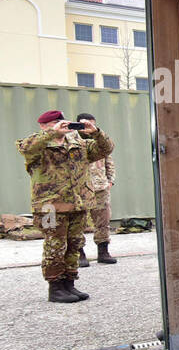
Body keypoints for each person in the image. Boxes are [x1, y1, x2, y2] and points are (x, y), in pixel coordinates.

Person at [16, 110, 114, 304]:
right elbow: (26, 148)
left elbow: (106, 149)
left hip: (77, 204)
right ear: (43, 126)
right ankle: (55, 287)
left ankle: (69, 283)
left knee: (74, 244)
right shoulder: (38, 145)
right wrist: (53, 133)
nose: (60, 125)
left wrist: (95, 132)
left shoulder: (79, 145)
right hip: (49, 206)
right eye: (53, 123)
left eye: (61, 122)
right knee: (55, 246)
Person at [77, 113, 117, 265]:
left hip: (100, 188)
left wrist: (110, 181)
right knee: (78, 223)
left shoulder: (100, 141)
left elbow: (109, 161)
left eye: (91, 124)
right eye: (84, 124)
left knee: (103, 221)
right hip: (80, 188)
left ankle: (103, 252)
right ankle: (80, 254)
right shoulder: (74, 141)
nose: (87, 127)